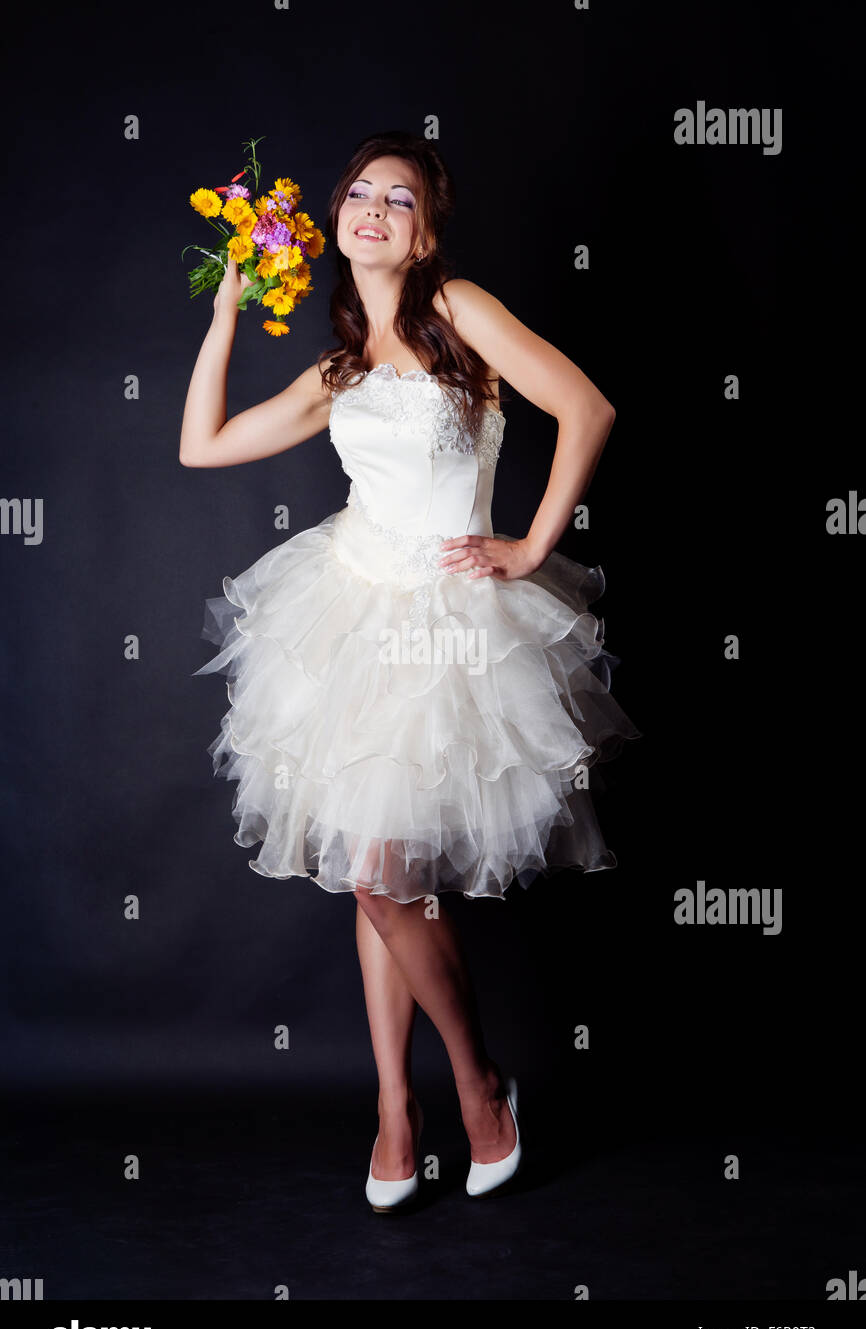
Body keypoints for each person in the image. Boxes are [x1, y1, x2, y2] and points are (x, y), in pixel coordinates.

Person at [180, 130, 641, 1212]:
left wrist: (528, 545)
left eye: (399, 195)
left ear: (424, 229)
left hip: (446, 627)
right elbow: (200, 444)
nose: (373, 208)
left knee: (384, 868)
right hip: (348, 611)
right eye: (357, 194)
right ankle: (397, 1105)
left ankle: (479, 1086)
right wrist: (225, 311)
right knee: (366, 867)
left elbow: (588, 408)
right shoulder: (336, 369)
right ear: (335, 221)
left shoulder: (461, 312)